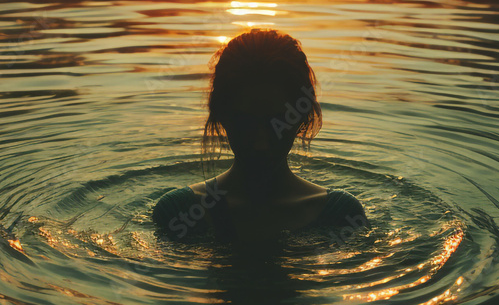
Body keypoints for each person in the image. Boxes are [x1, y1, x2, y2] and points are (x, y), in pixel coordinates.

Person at [152, 28, 368, 242]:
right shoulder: (178, 212)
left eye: (278, 122)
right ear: (222, 117)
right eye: (246, 123)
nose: (261, 144)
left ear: (302, 119)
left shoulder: (340, 214)